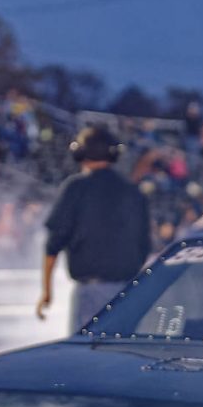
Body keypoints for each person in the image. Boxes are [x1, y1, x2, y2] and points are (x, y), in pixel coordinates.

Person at [38, 125, 151, 329]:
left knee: (86, 356)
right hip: (128, 292)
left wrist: (46, 291)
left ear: (80, 152)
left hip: (91, 291)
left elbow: (54, 243)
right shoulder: (133, 192)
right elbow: (144, 245)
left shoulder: (75, 187)